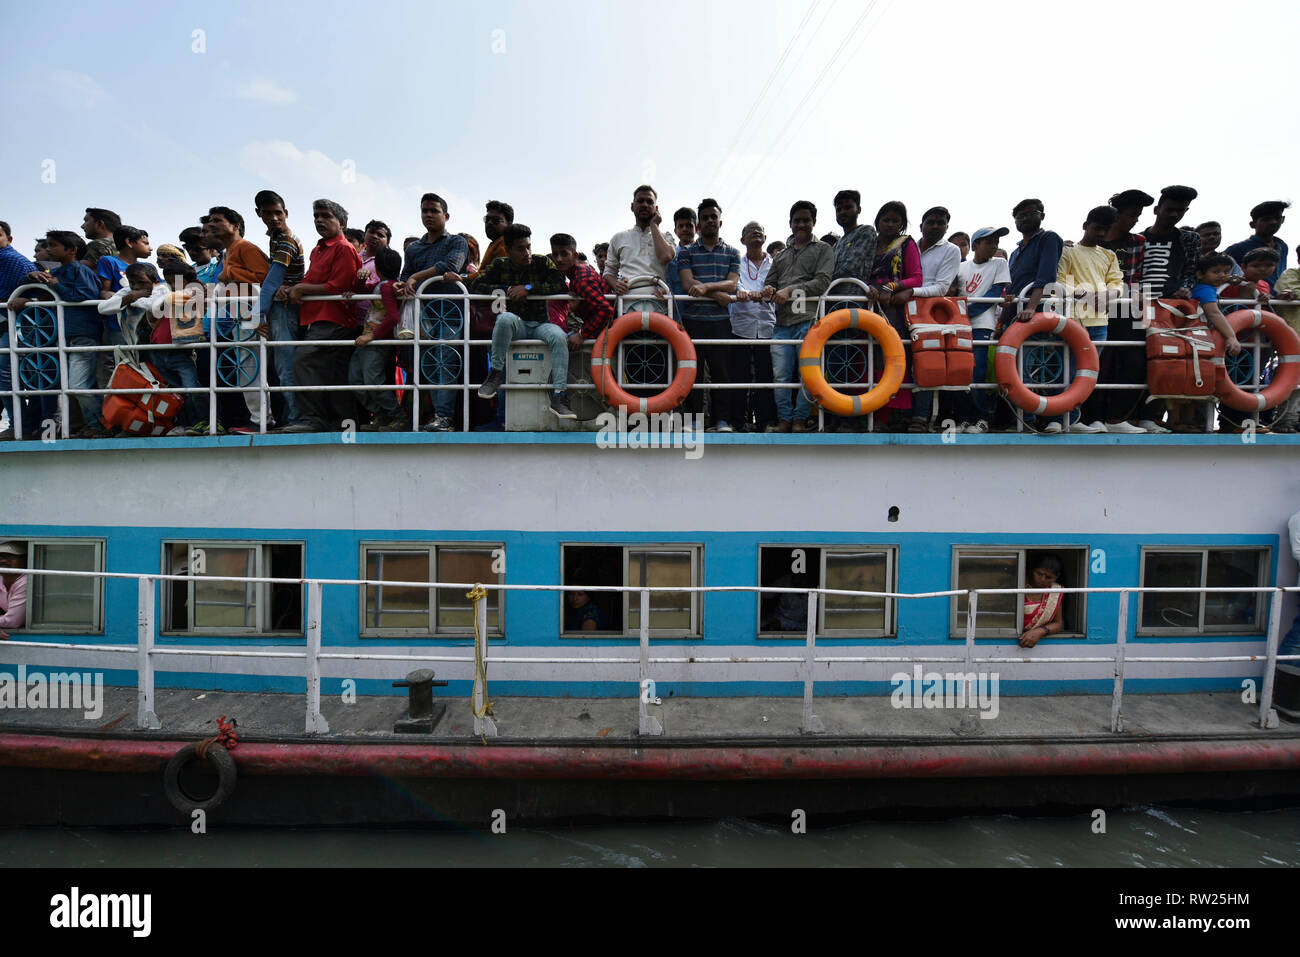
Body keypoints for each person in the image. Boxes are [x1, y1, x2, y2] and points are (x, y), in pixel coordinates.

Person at [6, 231, 104, 437]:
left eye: (53, 245)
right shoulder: (61, 271)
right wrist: (31, 278)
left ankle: (101, 426)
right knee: (71, 385)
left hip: (82, 334)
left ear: (71, 250)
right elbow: (41, 293)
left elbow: (84, 296)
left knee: (78, 385)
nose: (48, 249)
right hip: (65, 336)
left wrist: (56, 285)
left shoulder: (78, 270)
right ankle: (91, 425)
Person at [471, 223, 573, 419]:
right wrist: (509, 288)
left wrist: (528, 288)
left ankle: (559, 396)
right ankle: (496, 373)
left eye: (529, 246)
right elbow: (477, 286)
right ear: (509, 250)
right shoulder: (500, 264)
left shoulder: (542, 262)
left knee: (559, 337)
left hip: (541, 324)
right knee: (504, 318)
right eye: (520, 248)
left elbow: (560, 286)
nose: (527, 252)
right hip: (516, 325)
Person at [280, 199, 364, 433]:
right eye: (316, 216)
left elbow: (340, 286)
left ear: (342, 223)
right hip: (318, 318)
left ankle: (312, 418)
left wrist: (301, 289)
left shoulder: (344, 248)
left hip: (335, 318)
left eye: (326, 216)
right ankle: (343, 422)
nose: (319, 220)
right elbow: (310, 280)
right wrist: (292, 287)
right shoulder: (318, 249)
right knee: (335, 372)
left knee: (304, 360)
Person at [397, 193, 469, 432]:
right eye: (424, 211)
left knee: (445, 360)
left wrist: (417, 277)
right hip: (422, 313)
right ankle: (431, 415)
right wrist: (403, 283)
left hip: (450, 312)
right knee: (426, 362)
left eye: (434, 211)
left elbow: (450, 267)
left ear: (446, 216)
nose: (428, 215)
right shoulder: (414, 248)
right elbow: (406, 275)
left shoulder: (456, 241)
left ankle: (445, 418)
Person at [762, 200, 833, 432]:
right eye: (797, 220)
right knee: (780, 376)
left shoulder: (823, 249)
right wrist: (770, 290)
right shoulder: (781, 256)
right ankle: (784, 420)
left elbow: (823, 282)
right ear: (790, 223)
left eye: (806, 220)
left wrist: (790, 291)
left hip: (808, 321)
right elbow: (770, 281)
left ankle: (799, 421)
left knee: (808, 375)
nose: (801, 224)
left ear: (814, 222)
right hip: (781, 323)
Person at [1058, 206, 1124, 433]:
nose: (1101, 234)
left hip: (1100, 323)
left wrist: (1108, 295)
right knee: (1070, 370)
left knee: (1088, 373)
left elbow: (1117, 283)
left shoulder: (1109, 255)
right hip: (1072, 320)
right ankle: (1063, 419)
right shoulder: (1067, 251)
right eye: (1097, 228)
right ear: (1085, 225)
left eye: (1105, 230)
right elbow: (1059, 282)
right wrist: (1087, 295)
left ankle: (1075, 420)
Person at [677, 198, 741, 431]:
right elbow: (687, 284)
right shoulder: (686, 253)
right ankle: (694, 421)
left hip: (720, 323)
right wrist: (716, 292)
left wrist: (705, 288)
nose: (710, 221)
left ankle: (721, 420)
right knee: (692, 373)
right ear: (698, 225)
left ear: (720, 221)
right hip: (693, 321)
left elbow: (733, 285)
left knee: (721, 373)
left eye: (713, 217)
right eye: (705, 218)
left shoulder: (733, 252)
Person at [209, 206, 271, 432]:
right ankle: (260, 418)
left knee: (249, 369)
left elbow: (265, 279)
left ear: (235, 226)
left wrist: (230, 274)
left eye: (218, 220)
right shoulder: (229, 252)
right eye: (211, 221)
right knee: (245, 368)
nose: (212, 224)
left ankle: (260, 420)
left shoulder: (244, 247)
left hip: (251, 316)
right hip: (240, 317)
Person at [1099, 189, 1155, 432]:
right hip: (1097, 309)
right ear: (1116, 215)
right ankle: (1094, 418)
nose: (1135, 221)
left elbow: (1140, 277)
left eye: (1138, 215)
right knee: (1100, 361)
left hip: (1127, 309)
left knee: (1133, 361)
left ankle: (1117, 418)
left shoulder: (1138, 242)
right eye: (1132, 215)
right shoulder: (1096, 241)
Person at [867, 201, 923, 431]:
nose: (890, 224)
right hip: (868, 305)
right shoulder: (869, 243)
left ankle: (887, 417)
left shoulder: (906, 243)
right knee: (870, 359)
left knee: (892, 359)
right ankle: (868, 412)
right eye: (886, 220)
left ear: (902, 224)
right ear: (878, 221)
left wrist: (890, 287)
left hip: (893, 308)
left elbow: (917, 278)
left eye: (895, 220)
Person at [253, 190, 306, 427]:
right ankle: (291, 416)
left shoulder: (285, 240)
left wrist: (257, 315)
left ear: (286, 213)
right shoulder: (275, 236)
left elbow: (272, 282)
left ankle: (296, 417)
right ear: (259, 214)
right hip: (281, 306)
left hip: (285, 309)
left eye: (278, 213)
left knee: (286, 365)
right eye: (267, 214)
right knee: (281, 365)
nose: (274, 218)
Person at [951, 226, 1011, 433]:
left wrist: (963, 312)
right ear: (975, 245)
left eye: (996, 242)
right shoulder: (961, 267)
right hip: (960, 325)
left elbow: (995, 294)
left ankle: (982, 418)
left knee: (978, 371)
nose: (994, 246)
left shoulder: (999, 263)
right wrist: (959, 315)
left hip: (982, 325)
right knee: (959, 372)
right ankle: (964, 418)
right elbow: (953, 292)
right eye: (989, 242)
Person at [908, 207, 960, 431]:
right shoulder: (908, 247)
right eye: (931, 222)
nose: (936, 226)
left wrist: (910, 292)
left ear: (947, 227)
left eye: (941, 223)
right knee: (899, 358)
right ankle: (900, 415)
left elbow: (941, 287)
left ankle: (920, 417)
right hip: (903, 310)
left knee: (927, 362)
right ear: (921, 226)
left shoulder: (952, 250)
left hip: (931, 313)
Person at [1186, 253, 1246, 432]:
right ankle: (1192, 421)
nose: (1222, 275)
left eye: (1226, 271)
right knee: (1197, 381)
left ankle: (1193, 421)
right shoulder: (1204, 290)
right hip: (1196, 341)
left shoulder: (1204, 288)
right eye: (1216, 271)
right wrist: (1231, 336)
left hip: (1195, 339)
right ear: (1200, 274)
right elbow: (1213, 313)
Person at [349, 246, 404, 431]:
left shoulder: (388, 287)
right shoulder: (382, 285)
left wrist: (372, 336)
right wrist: (360, 280)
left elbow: (393, 317)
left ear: (378, 268)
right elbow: (364, 289)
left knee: (372, 380)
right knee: (355, 379)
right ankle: (380, 414)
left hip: (375, 341)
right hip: (367, 340)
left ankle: (398, 416)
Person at [731, 221, 778, 432]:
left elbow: (780, 283)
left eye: (759, 230)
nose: (755, 232)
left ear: (765, 238)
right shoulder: (737, 263)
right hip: (741, 325)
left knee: (765, 374)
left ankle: (765, 421)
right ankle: (739, 421)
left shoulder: (776, 263)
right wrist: (742, 291)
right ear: (743, 240)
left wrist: (770, 290)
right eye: (750, 230)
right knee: (739, 375)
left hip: (768, 325)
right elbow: (735, 283)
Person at [604, 185, 676, 315]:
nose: (645, 205)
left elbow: (666, 256)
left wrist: (654, 225)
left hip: (660, 303)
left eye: (649, 202)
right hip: (626, 305)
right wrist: (616, 285)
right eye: (640, 201)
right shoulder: (618, 238)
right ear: (632, 206)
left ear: (656, 208)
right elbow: (609, 272)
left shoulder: (666, 237)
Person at [0, 224, 40, 440]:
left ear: (10, 238)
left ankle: (20, 425)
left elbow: (12, 294)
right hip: (14, 324)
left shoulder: (11, 260)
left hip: (22, 324)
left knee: (7, 373)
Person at [550, 233, 613, 346]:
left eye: (564, 254)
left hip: (613, 330)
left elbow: (606, 310)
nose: (558, 259)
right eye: (555, 254)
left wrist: (581, 334)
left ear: (575, 256)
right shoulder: (577, 275)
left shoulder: (581, 279)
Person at [1225, 201, 1290, 288]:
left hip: (1280, 299)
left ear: (1283, 219)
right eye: (1267, 219)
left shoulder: (1283, 246)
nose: (1273, 222)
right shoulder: (1237, 249)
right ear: (1253, 224)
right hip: (1253, 298)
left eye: (1277, 218)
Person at [1018, 555, 1064, 648]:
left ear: (1056, 577)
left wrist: (1040, 631)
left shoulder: (1054, 592)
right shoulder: (1018, 583)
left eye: (1048, 577)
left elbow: (1058, 624)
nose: (1042, 579)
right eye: (1039, 574)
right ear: (1031, 570)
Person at [665, 206, 697, 312]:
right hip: (677, 312)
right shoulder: (671, 256)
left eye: (689, 225)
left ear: (696, 228)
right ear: (675, 230)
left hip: (701, 311)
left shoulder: (705, 253)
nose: (684, 229)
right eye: (681, 226)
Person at [0, 541, 27, 639]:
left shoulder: (26, 581)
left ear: (25, 559)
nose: (3, 561)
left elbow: (13, 621)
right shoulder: (1, 577)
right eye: (0, 556)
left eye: (11, 557)